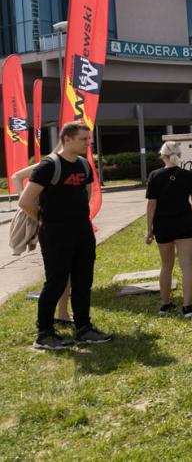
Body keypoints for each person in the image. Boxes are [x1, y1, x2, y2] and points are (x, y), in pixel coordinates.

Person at [19, 121, 113, 350]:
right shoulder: (48, 166)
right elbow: (25, 201)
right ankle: (44, 334)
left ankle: (84, 328)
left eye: (89, 139)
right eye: (83, 139)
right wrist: (42, 219)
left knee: (83, 281)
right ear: (67, 139)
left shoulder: (83, 165)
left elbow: (87, 193)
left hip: (82, 231)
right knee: (56, 282)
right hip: (55, 233)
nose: (88, 143)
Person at [145, 141, 192, 318]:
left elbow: (151, 206)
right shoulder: (188, 175)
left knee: (166, 265)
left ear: (163, 156)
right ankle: (187, 307)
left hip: (162, 225)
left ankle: (165, 304)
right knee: (186, 265)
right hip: (184, 223)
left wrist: (149, 230)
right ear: (178, 155)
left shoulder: (154, 176)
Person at [11, 150, 73, 326]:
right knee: (57, 272)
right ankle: (55, 317)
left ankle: (62, 312)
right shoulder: (48, 165)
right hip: (45, 220)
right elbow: (16, 176)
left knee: (63, 271)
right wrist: (25, 199)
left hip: (62, 221)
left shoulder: (72, 165)